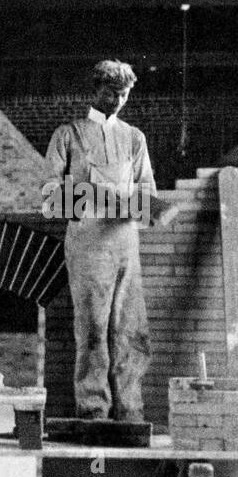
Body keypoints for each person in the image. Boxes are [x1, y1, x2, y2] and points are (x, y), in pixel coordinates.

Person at [44, 59, 178, 422]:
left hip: (125, 244)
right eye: (111, 92)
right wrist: (90, 195)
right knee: (92, 329)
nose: (118, 100)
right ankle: (93, 412)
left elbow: (146, 193)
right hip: (88, 244)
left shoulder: (134, 138)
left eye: (124, 94)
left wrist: (153, 208)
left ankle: (130, 411)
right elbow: (50, 198)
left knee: (131, 329)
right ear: (96, 90)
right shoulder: (68, 135)